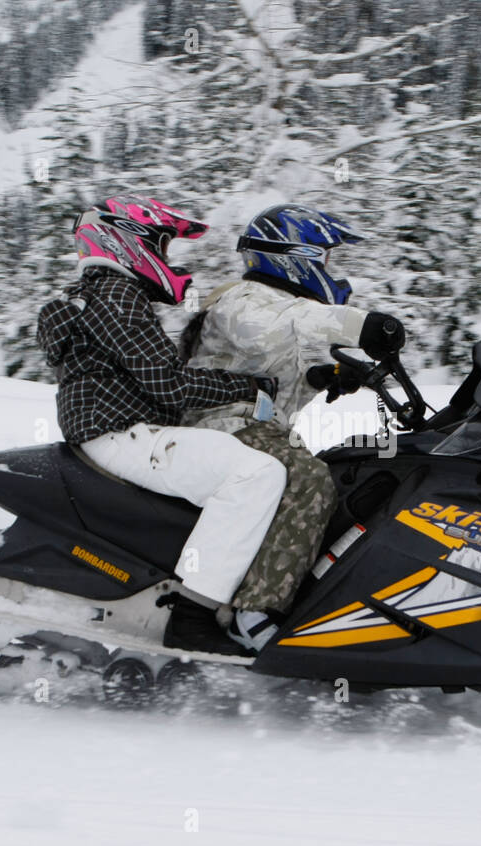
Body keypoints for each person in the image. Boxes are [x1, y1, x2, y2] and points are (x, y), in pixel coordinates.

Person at [36, 195, 286, 657]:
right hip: (125, 435)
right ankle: (194, 615)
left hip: (110, 434)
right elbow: (167, 384)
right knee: (257, 473)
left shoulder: (96, 295)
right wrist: (250, 388)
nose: (167, 260)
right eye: (163, 246)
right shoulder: (117, 295)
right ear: (128, 243)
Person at [181, 204, 406, 651]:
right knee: (309, 480)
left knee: (346, 469)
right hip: (219, 428)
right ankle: (255, 611)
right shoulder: (243, 300)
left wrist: (323, 379)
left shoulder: (283, 307)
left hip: (255, 430)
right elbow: (265, 333)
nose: (334, 274)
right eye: (326, 259)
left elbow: (273, 368)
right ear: (293, 257)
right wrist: (358, 324)